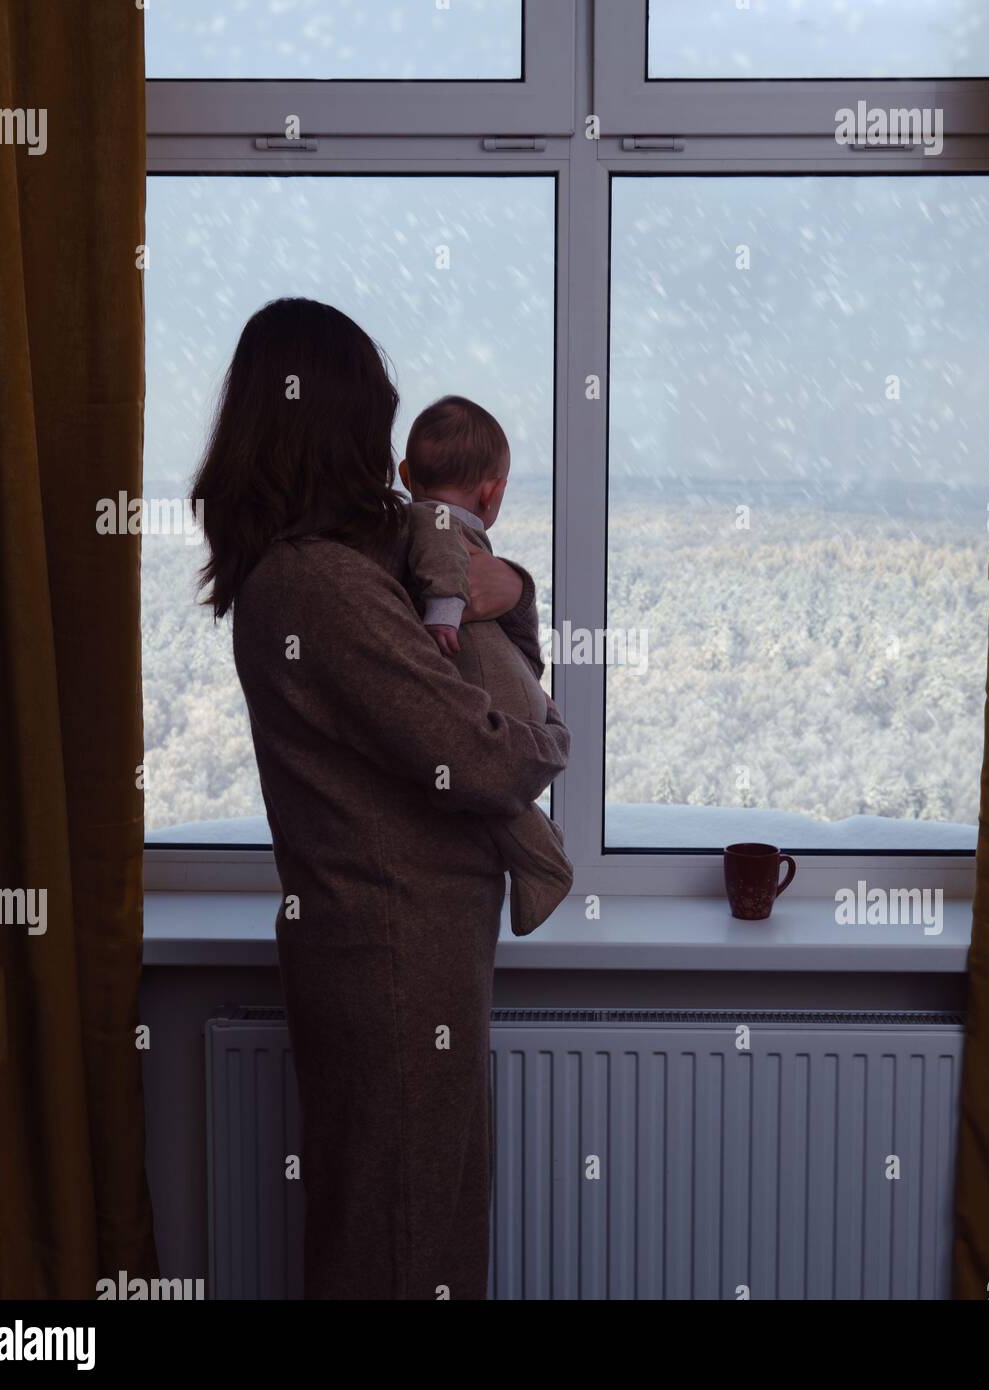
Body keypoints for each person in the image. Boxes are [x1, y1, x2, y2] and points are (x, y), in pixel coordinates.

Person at [190, 297, 570, 1299]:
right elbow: (479, 758)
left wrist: (513, 588)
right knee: (405, 1244)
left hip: (387, 952)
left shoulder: (318, 570)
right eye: (371, 418)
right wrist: (545, 740)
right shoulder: (322, 586)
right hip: (395, 959)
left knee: (397, 1228)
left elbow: (454, 587)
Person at [400, 394, 573, 936]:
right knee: (500, 786)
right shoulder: (440, 520)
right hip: (500, 683)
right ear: (494, 490)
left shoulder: (422, 514)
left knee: (496, 785)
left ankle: (546, 865)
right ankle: (546, 865)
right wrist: (446, 615)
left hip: (496, 683)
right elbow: (444, 561)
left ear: (406, 474)